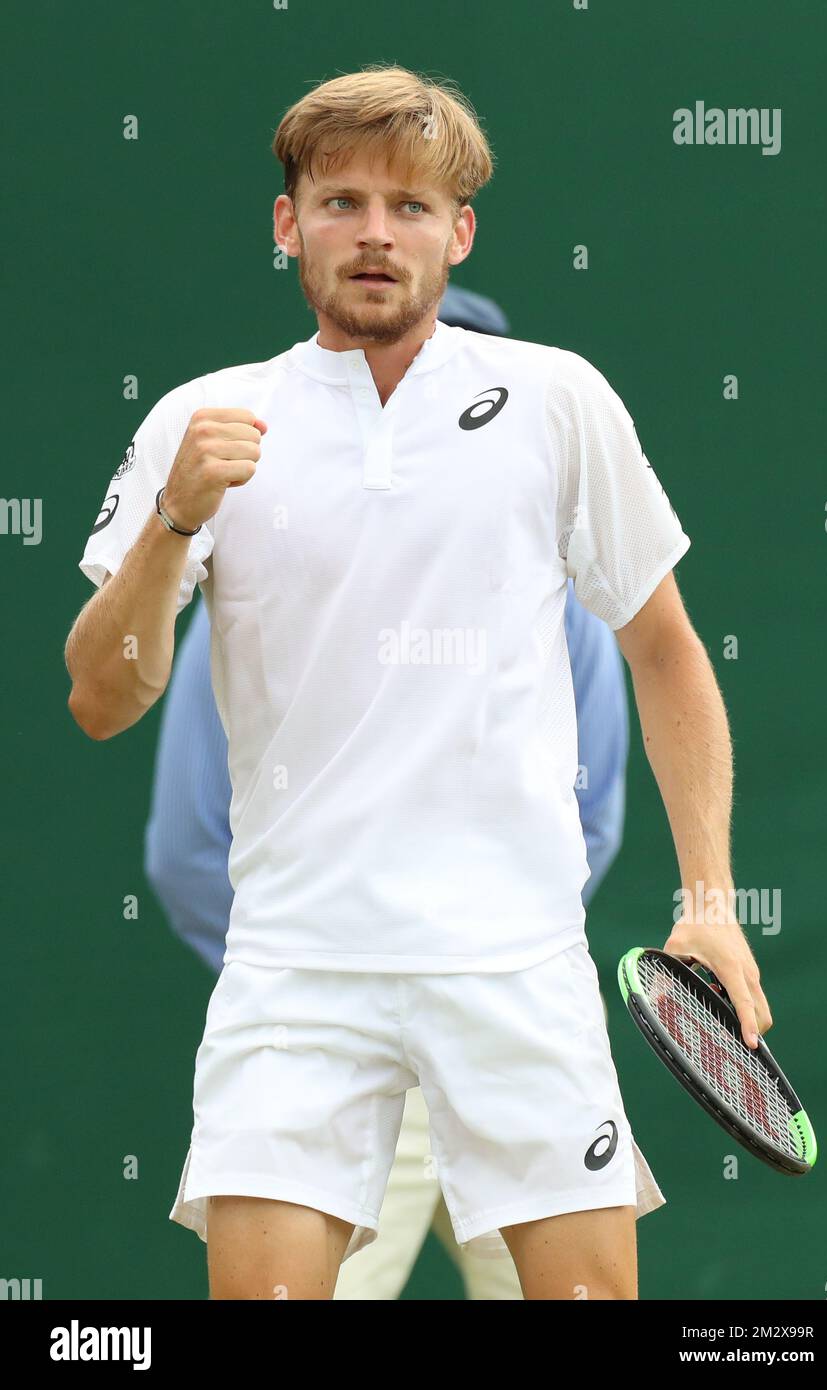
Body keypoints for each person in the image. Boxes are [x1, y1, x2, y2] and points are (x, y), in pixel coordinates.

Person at [65, 64, 773, 1301]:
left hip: (515, 969)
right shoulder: (205, 417)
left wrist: (710, 897)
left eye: (410, 206)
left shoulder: (561, 402)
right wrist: (173, 522)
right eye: (339, 202)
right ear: (288, 226)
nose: (376, 233)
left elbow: (666, 651)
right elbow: (100, 698)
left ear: (461, 231)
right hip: (295, 972)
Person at [143, 281, 631, 1302]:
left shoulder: (565, 590)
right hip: (318, 1045)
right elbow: (187, 847)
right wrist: (335, 972)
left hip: (504, 1027)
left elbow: (585, 816)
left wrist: (468, 962)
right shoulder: (256, 570)